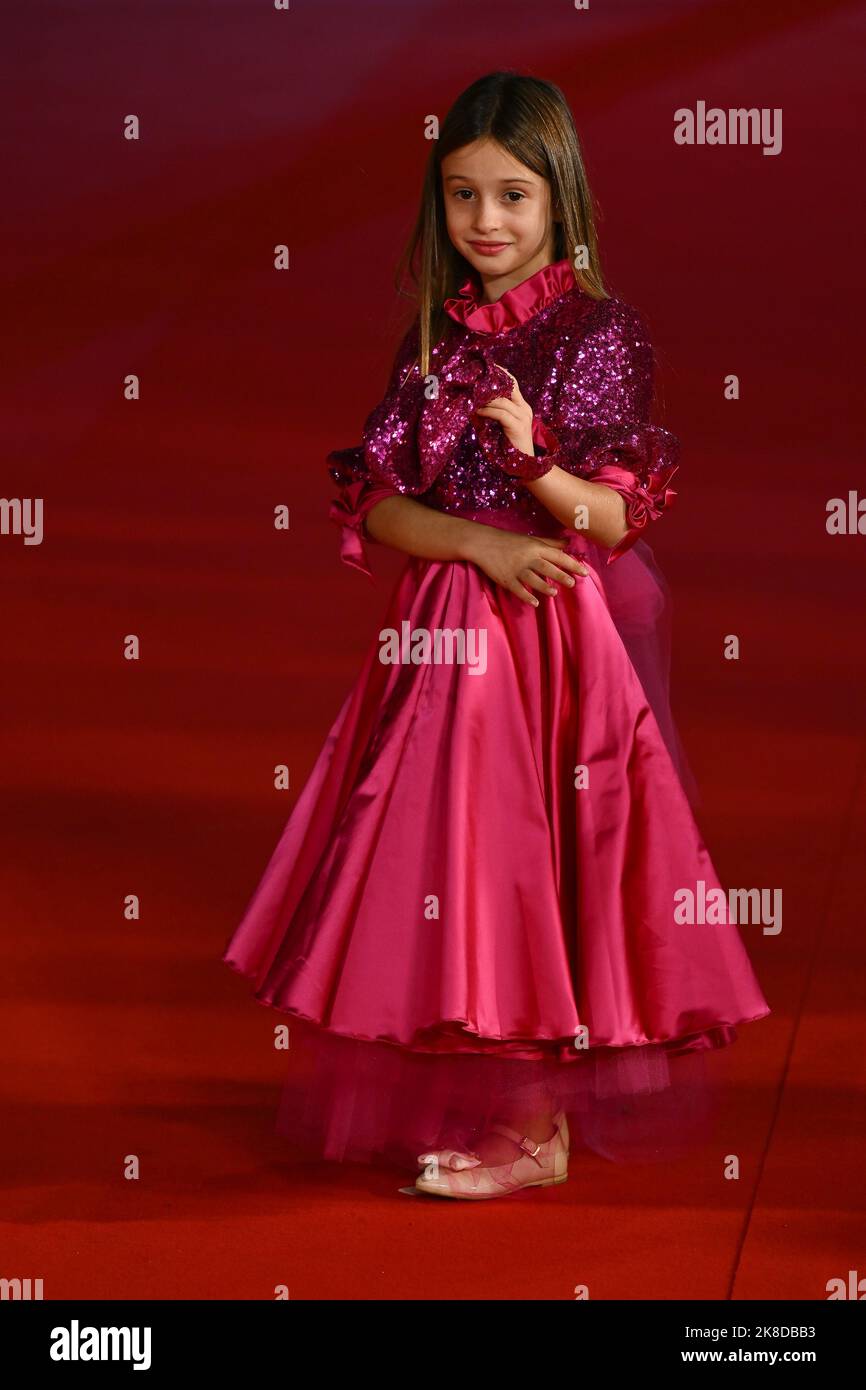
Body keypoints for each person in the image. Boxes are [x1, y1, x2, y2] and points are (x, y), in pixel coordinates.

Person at [222, 70, 771, 1200]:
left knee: (533, 864)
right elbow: (374, 505)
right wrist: (475, 544)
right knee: (448, 868)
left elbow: (611, 517)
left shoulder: (599, 333)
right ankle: (494, 1097)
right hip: (444, 639)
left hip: (553, 640)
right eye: (463, 196)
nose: (486, 222)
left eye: (512, 196)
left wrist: (530, 462)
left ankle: (534, 1126)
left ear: (559, 203)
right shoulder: (430, 338)